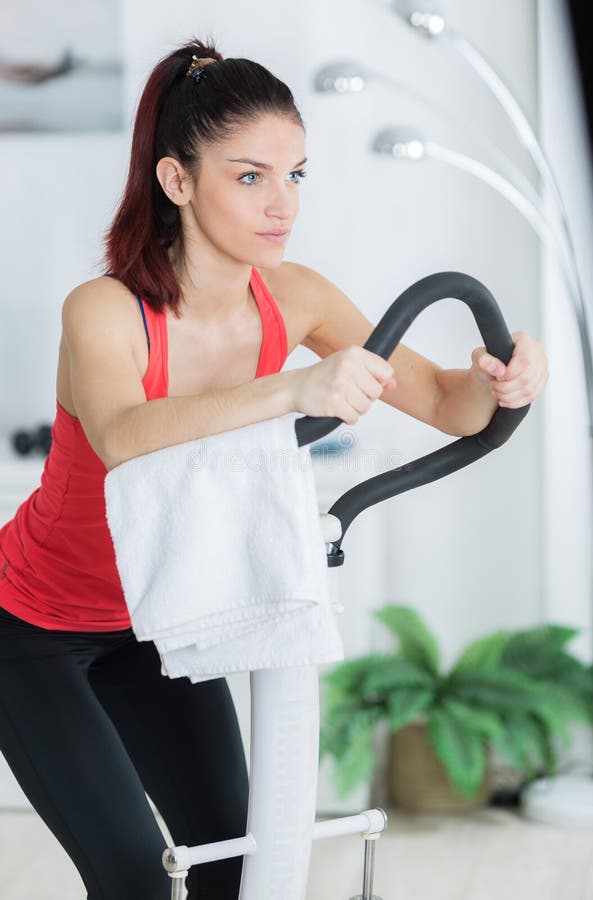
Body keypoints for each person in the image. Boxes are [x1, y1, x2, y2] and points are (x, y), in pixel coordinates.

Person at [0, 36, 548, 900]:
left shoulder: (297, 298)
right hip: (33, 628)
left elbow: (449, 404)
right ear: (178, 180)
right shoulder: (104, 309)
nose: (281, 203)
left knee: (239, 865)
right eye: (250, 176)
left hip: (162, 619)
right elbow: (123, 436)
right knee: (136, 876)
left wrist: (505, 378)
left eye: (296, 174)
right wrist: (293, 389)